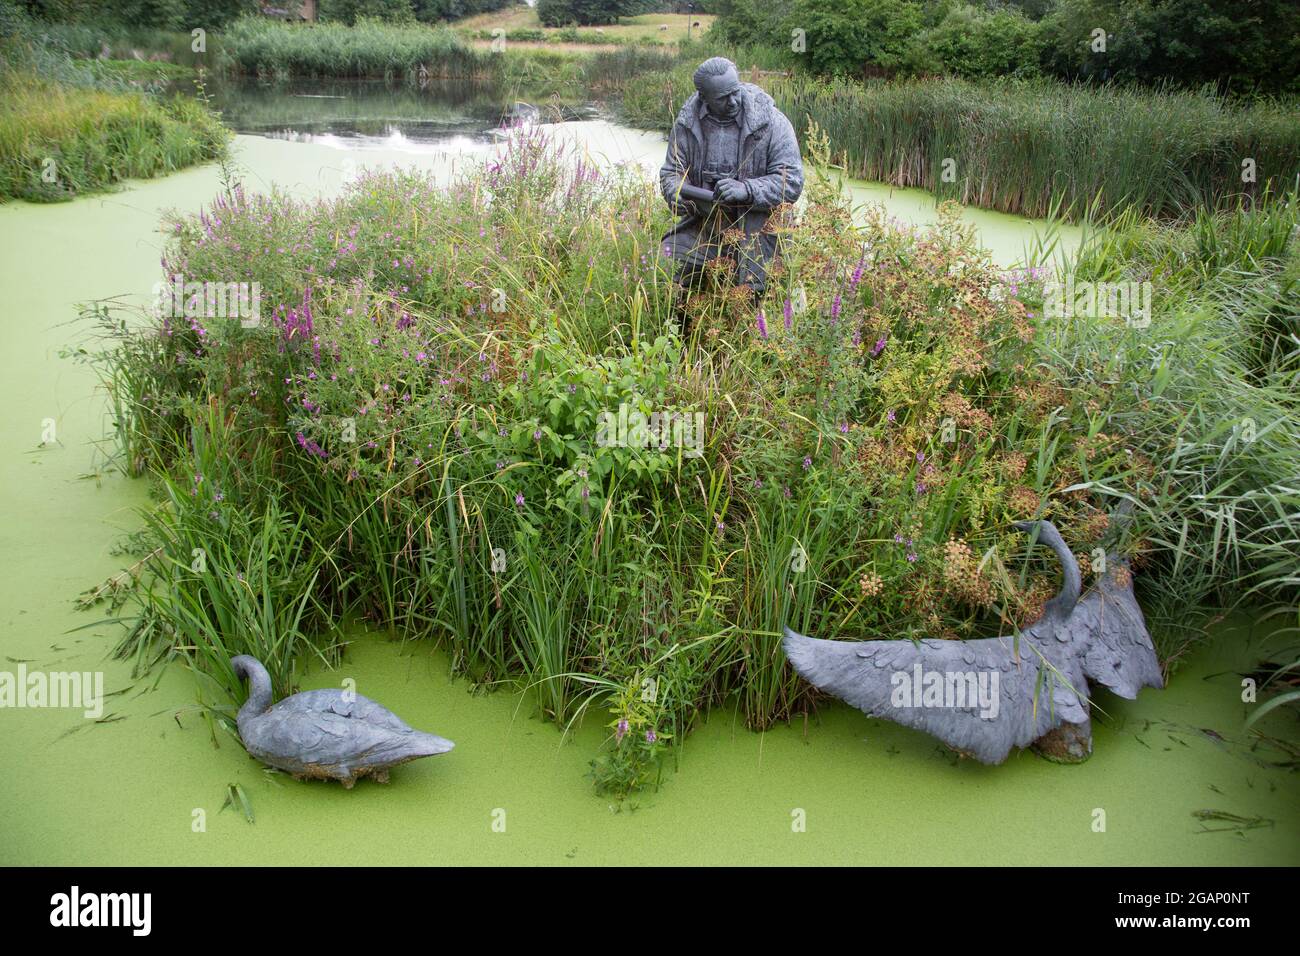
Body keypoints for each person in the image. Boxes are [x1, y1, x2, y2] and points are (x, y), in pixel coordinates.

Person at [659, 56, 804, 328]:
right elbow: (670, 173)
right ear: (704, 98)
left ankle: (751, 346)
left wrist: (746, 189)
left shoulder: (772, 122)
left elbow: (792, 181)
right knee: (666, 263)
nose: (734, 101)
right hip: (704, 227)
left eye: (735, 92)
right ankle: (682, 336)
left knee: (754, 292)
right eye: (724, 98)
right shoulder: (687, 124)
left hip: (760, 230)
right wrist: (676, 192)